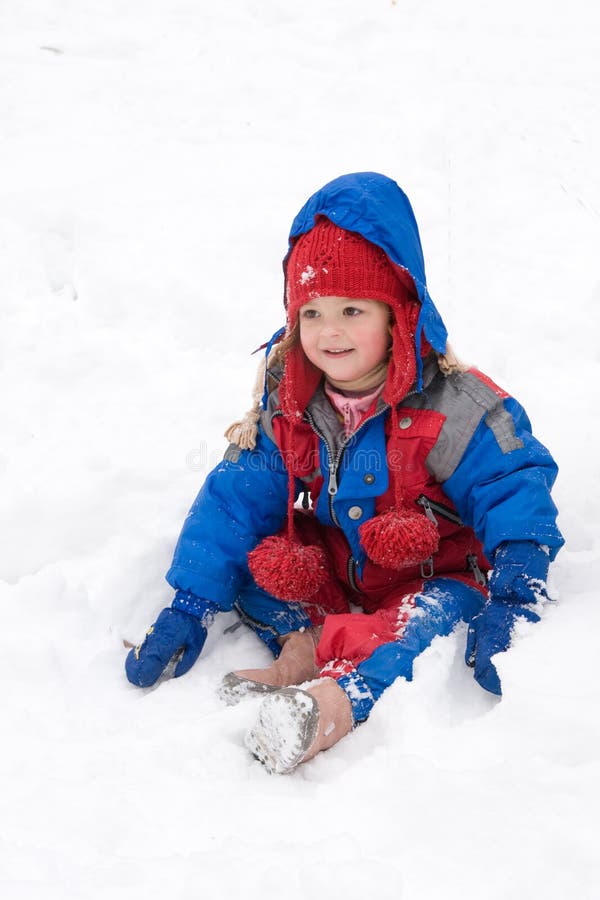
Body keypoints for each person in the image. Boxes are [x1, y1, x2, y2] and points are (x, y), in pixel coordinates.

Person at [125, 172, 563, 774]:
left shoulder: (457, 405)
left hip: (432, 575)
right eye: (312, 312)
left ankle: (328, 707)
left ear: (398, 315)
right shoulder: (290, 402)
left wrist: (515, 588)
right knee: (258, 566)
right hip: (336, 565)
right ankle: (299, 650)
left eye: (352, 310)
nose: (329, 332)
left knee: (420, 624)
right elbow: (236, 498)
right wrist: (191, 602)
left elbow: (514, 488)